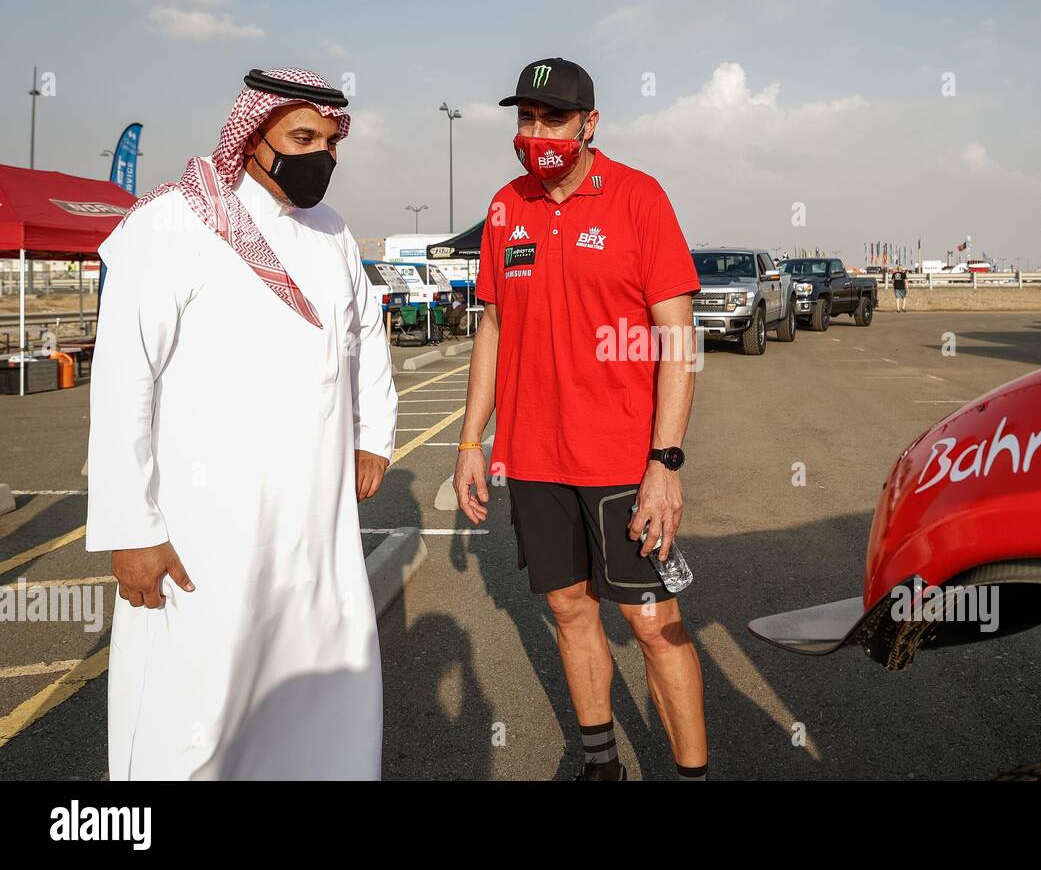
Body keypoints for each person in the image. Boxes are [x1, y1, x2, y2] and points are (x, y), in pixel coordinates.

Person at [86, 68, 397, 780]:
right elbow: (124, 376)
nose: (323, 154)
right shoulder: (173, 222)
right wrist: (132, 528)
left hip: (315, 518)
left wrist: (371, 432)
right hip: (205, 522)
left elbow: (363, 334)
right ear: (252, 137)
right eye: (303, 137)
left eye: (329, 139)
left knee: (323, 678)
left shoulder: (332, 232)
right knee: (200, 693)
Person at [453, 57, 708, 780]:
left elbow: (677, 339)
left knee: (654, 625)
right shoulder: (506, 207)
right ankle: (602, 763)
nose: (536, 134)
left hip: (624, 462)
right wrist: (472, 439)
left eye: (553, 119)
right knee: (569, 609)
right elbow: (493, 329)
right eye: (525, 120)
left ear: (589, 124)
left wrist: (666, 464)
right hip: (533, 457)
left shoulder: (639, 198)